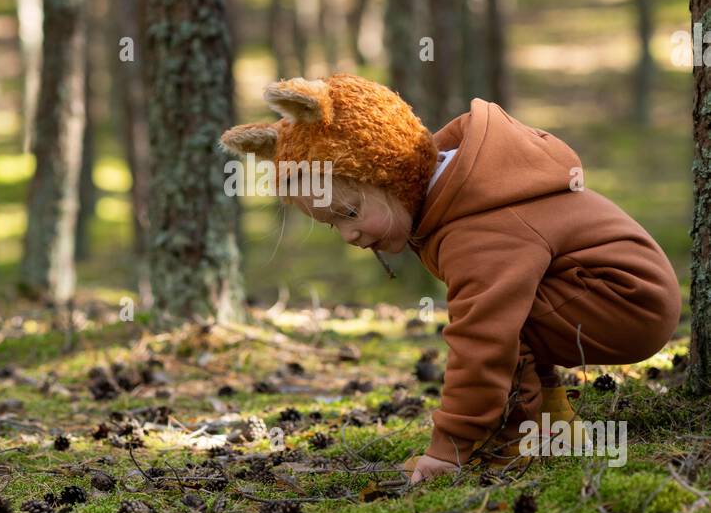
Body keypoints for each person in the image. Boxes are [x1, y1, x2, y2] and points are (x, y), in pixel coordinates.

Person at [220, 74, 681, 483]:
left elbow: (481, 340)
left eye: (351, 212)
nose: (349, 234)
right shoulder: (455, 193)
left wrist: (448, 449)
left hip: (627, 304)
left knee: (492, 323)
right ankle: (550, 423)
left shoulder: (478, 222)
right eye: (333, 224)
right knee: (503, 312)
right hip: (606, 295)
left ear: (392, 174)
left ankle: (511, 437)